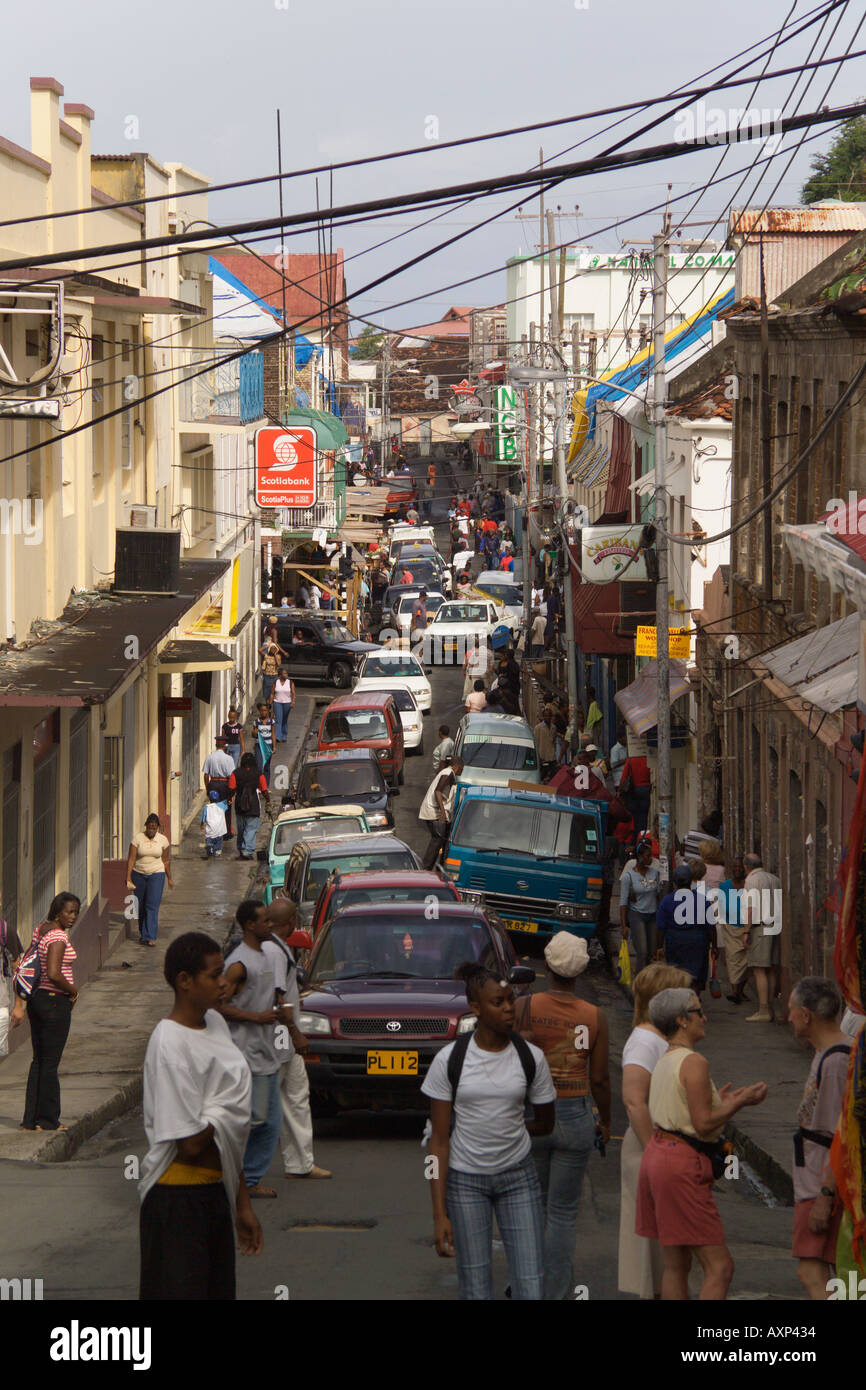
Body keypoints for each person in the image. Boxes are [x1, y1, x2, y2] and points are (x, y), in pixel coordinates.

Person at [138, 932, 262, 1299]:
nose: (224, 983)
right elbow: (190, 1143)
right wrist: (228, 1109)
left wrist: (241, 1204)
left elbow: (229, 1137)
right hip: (176, 1200)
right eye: (214, 975)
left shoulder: (218, 1025)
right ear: (185, 981)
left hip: (214, 1193)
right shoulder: (168, 1041)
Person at [422, 962, 556, 1300]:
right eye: (498, 1002)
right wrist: (440, 1216)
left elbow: (545, 1122)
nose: (509, 1008)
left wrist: (504, 1127)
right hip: (465, 1184)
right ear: (476, 1008)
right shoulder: (449, 1060)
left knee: (531, 1286)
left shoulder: (532, 1058)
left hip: (519, 1179)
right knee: (476, 1288)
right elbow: (438, 1143)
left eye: (511, 999)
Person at [636, 987, 768, 1299]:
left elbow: (681, 1108)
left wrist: (718, 1101)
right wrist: (740, 1103)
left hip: (658, 1156)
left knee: (676, 1264)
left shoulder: (666, 1059)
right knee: (720, 1267)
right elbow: (703, 1123)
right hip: (680, 1163)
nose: (704, 1017)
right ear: (682, 1020)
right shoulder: (694, 1062)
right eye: (698, 1012)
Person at [517, 933, 610, 1300]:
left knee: (533, 1205)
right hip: (575, 1114)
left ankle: (528, 1285)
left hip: (532, 1114)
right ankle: (555, 1292)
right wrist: (605, 1122)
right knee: (562, 1212)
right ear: (580, 970)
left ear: (548, 964)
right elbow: (600, 1078)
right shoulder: (593, 1016)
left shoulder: (525, 1007)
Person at [618, 963, 693, 1299]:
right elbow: (635, 1102)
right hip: (652, 1144)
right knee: (655, 1242)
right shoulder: (645, 1042)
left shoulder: (655, 1037)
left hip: (660, 1145)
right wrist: (654, 1152)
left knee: (664, 1242)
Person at [788, 976, 852, 1298]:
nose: (788, 1017)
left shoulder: (838, 1060)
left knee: (812, 1271)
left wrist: (825, 1196)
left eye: (791, 1009)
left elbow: (839, 1134)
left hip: (821, 1181)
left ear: (806, 1015)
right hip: (814, 1179)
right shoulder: (830, 1053)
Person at [221, 900, 289, 1199]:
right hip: (246, 1052)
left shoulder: (264, 956)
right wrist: (256, 1018)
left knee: (271, 1122)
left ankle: (249, 1180)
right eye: (264, 920)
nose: (270, 924)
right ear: (250, 925)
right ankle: (232, 1175)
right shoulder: (239, 963)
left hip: (267, 1051)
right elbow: (218, 1004)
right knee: (254, 1118)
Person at [265, 900, 332, 1182]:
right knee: (271, 1103)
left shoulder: (277, 947)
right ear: (292, 920)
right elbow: (279, 998)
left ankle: (300, 1163)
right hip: (280, 1039)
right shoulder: (273, 951)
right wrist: (296, 1033)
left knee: (296, 1098)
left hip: (284, 1042)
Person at [20, 892, 80, 1132]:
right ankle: (48, 1120)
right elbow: (54, 974)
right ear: (58, 912)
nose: (73, 917)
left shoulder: (41, 930)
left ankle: (30, 1120)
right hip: (55, 1003)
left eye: (76, 912)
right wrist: (73, 991)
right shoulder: (57, 937)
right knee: (50, 1064)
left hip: (38, 1001)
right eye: (69, 912)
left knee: (39, 1061)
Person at [657, 863, 715, 993]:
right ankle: (694, 1000)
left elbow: (661, 927)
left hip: (675, 941)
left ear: (675, 882)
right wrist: (714, 945)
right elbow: (711, 926)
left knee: (677, 975)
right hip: (698, 942)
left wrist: (659, 947)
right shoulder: (702, 899)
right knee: (696, 976)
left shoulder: (667, 901)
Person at [742, 852, 782, 1022]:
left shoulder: (751, 880)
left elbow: (752, 908)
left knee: (759, 969)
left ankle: (763, 1009)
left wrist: (746, 931)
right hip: (775, 925)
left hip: (760, 927)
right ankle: (770, 1006)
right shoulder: (774, 879)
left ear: (746, 866)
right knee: (770, 968)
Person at [126, 814, 173, 947]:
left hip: (156, 874)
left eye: (154, 828)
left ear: (158, 828)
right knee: (141, 906)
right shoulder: (137, 839)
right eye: (150, 827)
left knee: (152, 905)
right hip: (138, 874)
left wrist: (169, 877)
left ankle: (150, 936)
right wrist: (128, 877)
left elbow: (165, 861)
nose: (152, 830)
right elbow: (131, 859)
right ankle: (143, 933)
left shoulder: (163, 840)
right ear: (146, 826)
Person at [619, 839, 661, 975]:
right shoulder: (628, 877)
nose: (650, 859)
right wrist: (624, 925)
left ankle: (647, 980)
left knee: (651, 952)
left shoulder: (654, 873)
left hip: (652, 914)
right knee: (642, 951)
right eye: (648, 856)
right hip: (637, 914)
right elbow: (623, 902)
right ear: (640, 857)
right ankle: (638, 981)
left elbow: (658, 894)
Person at [419, 757, 463, 870]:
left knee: (442, 841)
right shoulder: (448, 773)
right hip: (433, 812)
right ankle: (425, 869)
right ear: (457, 767)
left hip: (434, 812)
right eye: (461, 769)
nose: (461, 772)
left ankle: (439, 868)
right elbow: (438, 791)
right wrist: (443, 812)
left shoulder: (449, 774)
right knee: (437, 841)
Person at [229, 753, 269, 860]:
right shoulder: (258, 773)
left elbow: (231, 788)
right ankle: (248, 850)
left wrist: (230, 798)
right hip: (253, 805)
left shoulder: (235, 773)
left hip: (239, 805)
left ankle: (242, 849)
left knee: (241, 829)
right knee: (251, 829)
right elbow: (264, 789)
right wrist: (268, 800)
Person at [203, 737, 236, 839]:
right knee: (226, 808)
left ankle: (215, 832)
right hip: (225, 785)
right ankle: (226, 833)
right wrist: (232, 793)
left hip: (213, 784)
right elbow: (231, 776)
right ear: (225, 746)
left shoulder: (209, 757)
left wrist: (208, 788)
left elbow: (205, 775)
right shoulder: (229, 758)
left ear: (216, 745)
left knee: (214, 809)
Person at [620, 750, 652, 837]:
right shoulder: (648, 759)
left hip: (633, 790)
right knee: (644, 816)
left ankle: (635, 838)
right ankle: (642, 837)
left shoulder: (631, 760)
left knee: (634, 817)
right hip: (646, 789)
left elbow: (624, 777)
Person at [253, 702, 276, 787]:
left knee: (266, 766)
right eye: (261, 710)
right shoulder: (256, 722)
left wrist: (274, 746)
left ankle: (266, 786)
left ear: (268, 711)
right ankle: (259, 785)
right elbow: (254, 734)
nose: (263, 712)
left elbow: (273, 734)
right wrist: (254, 733)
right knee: (259, 766)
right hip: (259, 746)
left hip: (268, 746)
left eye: (265, 710)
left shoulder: (271, 722)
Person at [201, 790, 228, 858]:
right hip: (219, 831)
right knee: (219, 845)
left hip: (210, 832)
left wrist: (201, 825)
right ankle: (217, 853)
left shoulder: (206, 807)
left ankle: (210, 847)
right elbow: (229, 800)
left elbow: (203, 819)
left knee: (209, 841)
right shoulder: (223, 805)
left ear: (209, 798)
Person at [272, 667, 295, 744]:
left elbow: (293, 693)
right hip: (277, 702)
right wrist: (270, 702)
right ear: (280, 675)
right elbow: (272, 693)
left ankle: (284, 735)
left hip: (287, 703)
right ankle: (278, 736)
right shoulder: (276, 682)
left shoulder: (290, 682)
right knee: (278, 720)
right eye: (284, 673)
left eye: (287, 673)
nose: (286, 675)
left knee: (284, 720)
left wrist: (293, 702)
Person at [534, 708, 557, 781]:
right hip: (542, 756)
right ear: (543, 717)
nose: (548, 718)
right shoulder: (538, 728)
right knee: (541, 776)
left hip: (552, 757)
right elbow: (536, 742)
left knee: (553, 777)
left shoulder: (554, 727)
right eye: (546, 716)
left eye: (549, 716)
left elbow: (553, 741)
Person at [259, 638, 282, 705]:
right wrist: (267, 646)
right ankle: (268, 707)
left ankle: (272, 708)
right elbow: (259, 650)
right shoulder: (266, 656)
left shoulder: (278, 656)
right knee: (267, 694)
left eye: (274, 649)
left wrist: (275, 655)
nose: (273, 650)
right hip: (267, 676)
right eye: (272, 649)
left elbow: (278, 664)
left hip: (275, 676)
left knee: (275, 693)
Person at [608, 725, 628, 792]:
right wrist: (626, 760)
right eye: (625, 737)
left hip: (627, 780)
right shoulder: (615, 749)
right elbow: (613, 765)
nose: (627, 739)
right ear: (620, 738)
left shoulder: (627, 748)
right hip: (619, 780)